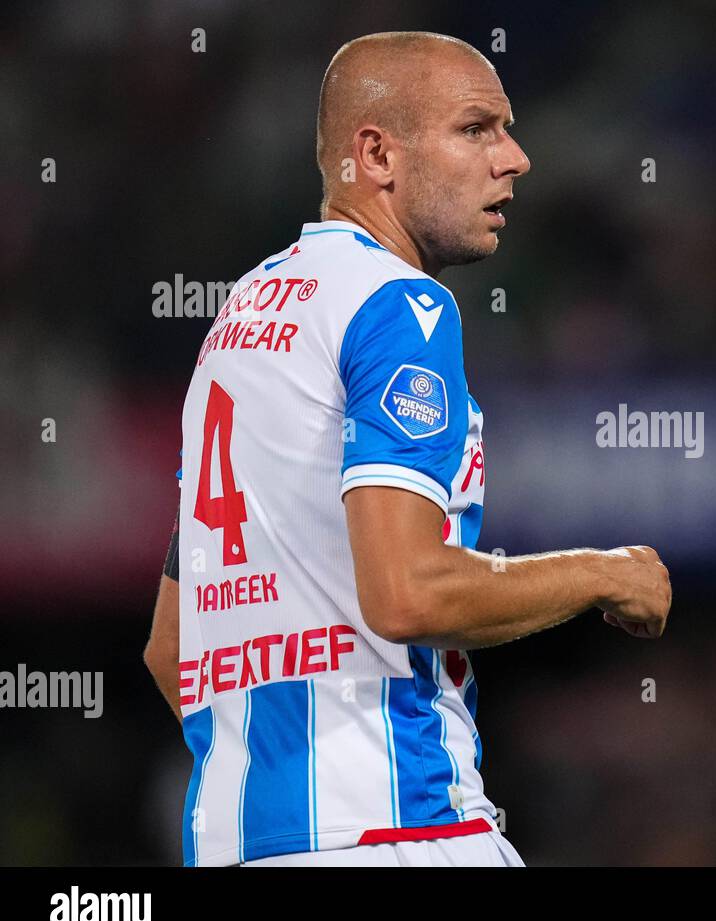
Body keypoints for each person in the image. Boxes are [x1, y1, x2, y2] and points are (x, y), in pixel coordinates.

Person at [143, 31, 671, 868]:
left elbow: (173, 649)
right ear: (377, 155)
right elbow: (406, 592)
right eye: (477, 129)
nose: (516, 158)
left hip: (243, 842)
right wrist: (607, 572)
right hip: (406, 831)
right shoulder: (399, 304)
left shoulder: (236, 322)